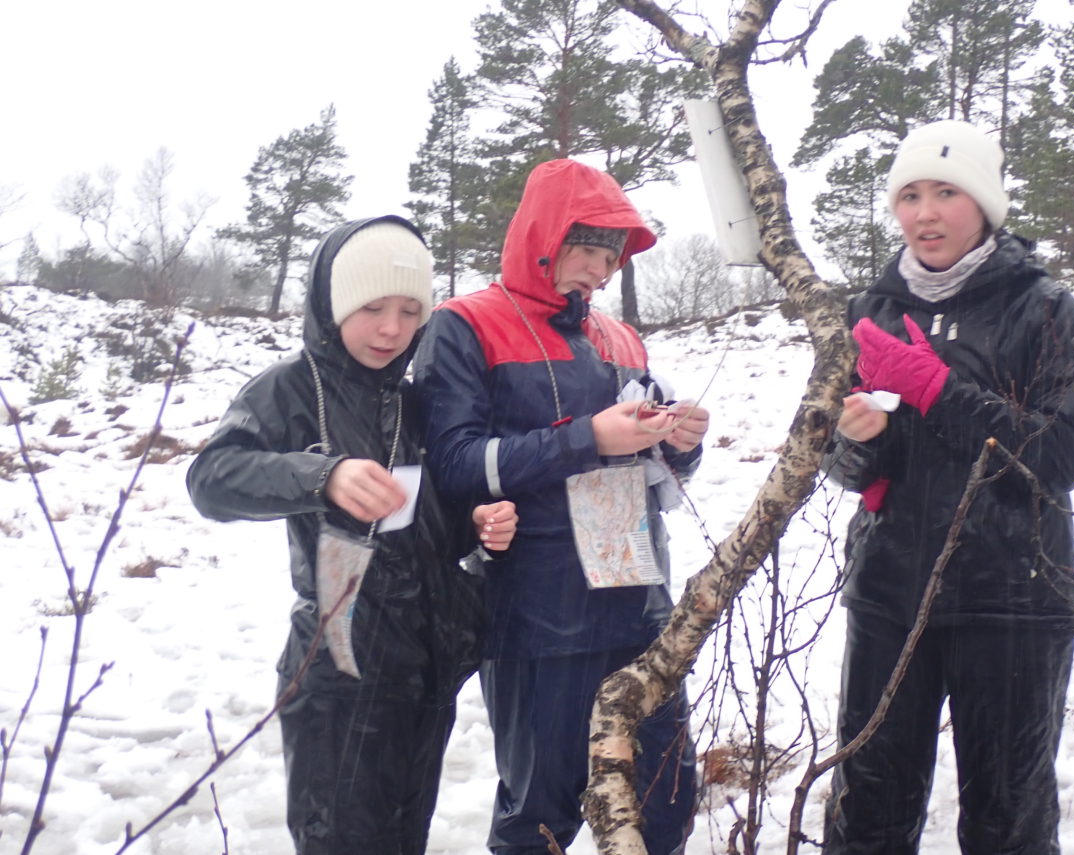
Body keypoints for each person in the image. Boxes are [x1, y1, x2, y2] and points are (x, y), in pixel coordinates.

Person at [186, 215, 517, 855]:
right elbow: (212, 479)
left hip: (425, 666)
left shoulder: (421, 402)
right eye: (371, 308)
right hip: (336, 673)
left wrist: (475, 522)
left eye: (408, 310)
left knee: (402, 838)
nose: (392, 329)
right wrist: (321, 474)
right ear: (334, 304)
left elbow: (433, 522)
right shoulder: (288, 390)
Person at [820, 120, 1074, 854]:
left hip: (1013, 601)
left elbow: (1068, 454)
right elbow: (833, 455)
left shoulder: (1043, 309)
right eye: (909, 195)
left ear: (983, 204)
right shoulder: (871, 312)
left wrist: (939, 390)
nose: (924, 212)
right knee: (868, 814)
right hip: (889, 597)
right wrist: (857, 446)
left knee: (1009, 820)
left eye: (945, 192)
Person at [412, 158, 708, 854]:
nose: (603, 269)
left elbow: (648, 466)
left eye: (613, 254)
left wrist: (679, 442)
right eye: (591, 247)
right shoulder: (463, 326)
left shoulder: (620, 337)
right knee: (540, 817)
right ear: (545, 235)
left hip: (639, 600)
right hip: (538, 615)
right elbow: (453, 466)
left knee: (665, 797)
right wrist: (586, 437)